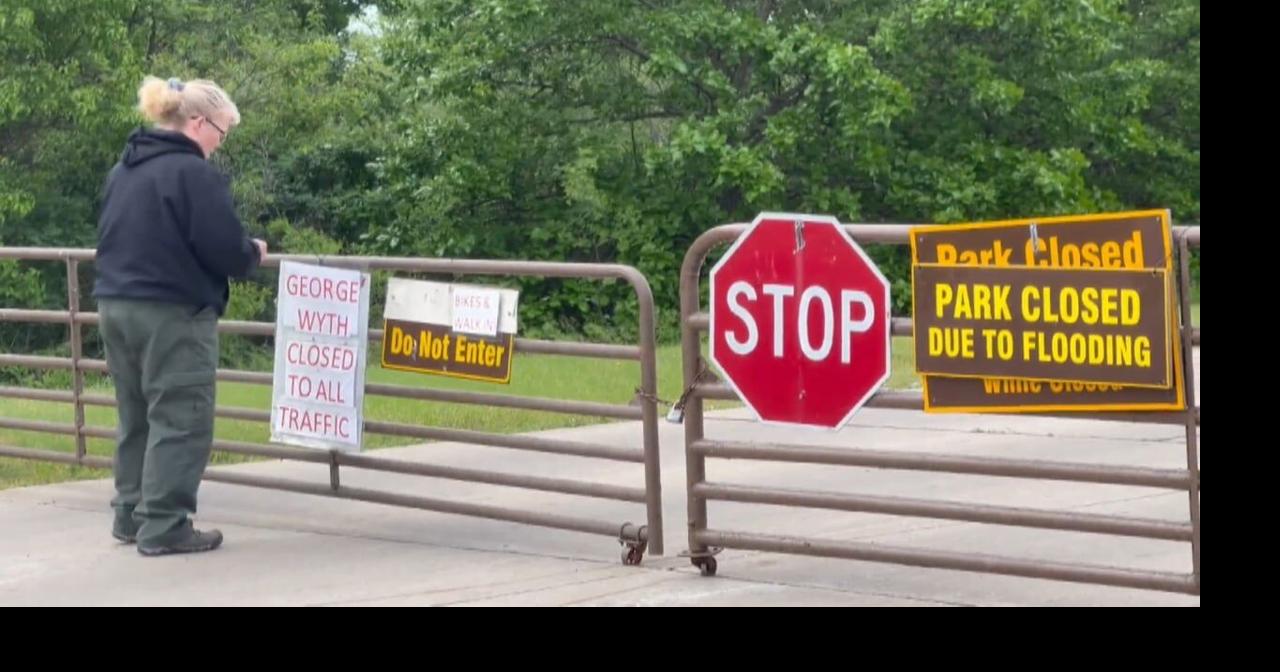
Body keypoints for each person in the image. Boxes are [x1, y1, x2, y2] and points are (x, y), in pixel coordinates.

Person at [93, 75, 267, 556]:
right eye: (222, 131)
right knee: (180, 415)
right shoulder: (193, 174)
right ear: (197, 122)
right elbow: (222, 249)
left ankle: (130, 513)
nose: (220, 142)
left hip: (115, 304)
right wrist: (251, 252)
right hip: (171, 311)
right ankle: (165, 523)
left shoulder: (123, 171)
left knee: (136, 415)